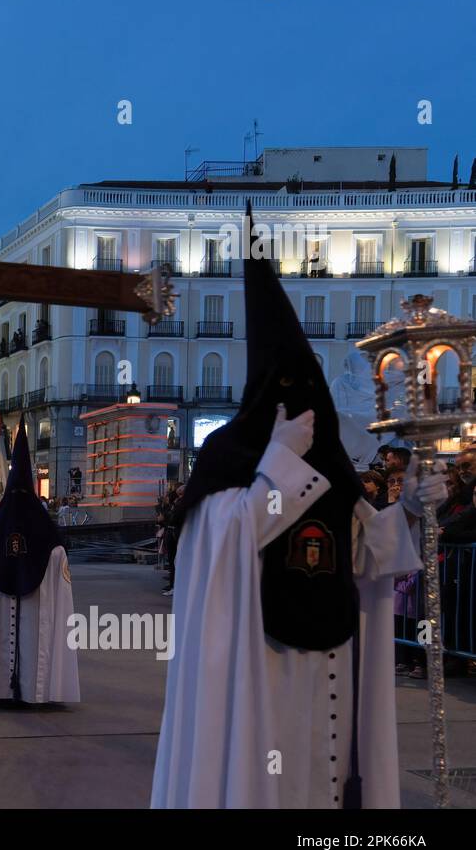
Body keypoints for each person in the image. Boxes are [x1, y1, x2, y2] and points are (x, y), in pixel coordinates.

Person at [151, 206, 446, 809]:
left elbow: (364, 554)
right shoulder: (226, 455)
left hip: (331, 665)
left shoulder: (333, 465)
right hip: (259, 674)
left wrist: (410, 509)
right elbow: (220, 548)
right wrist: (278, 463)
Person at [0, 416, 78, 705]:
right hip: (38, 609)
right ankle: (38, 690)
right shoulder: (48, 534)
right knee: (36, 641)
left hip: (6, 602)